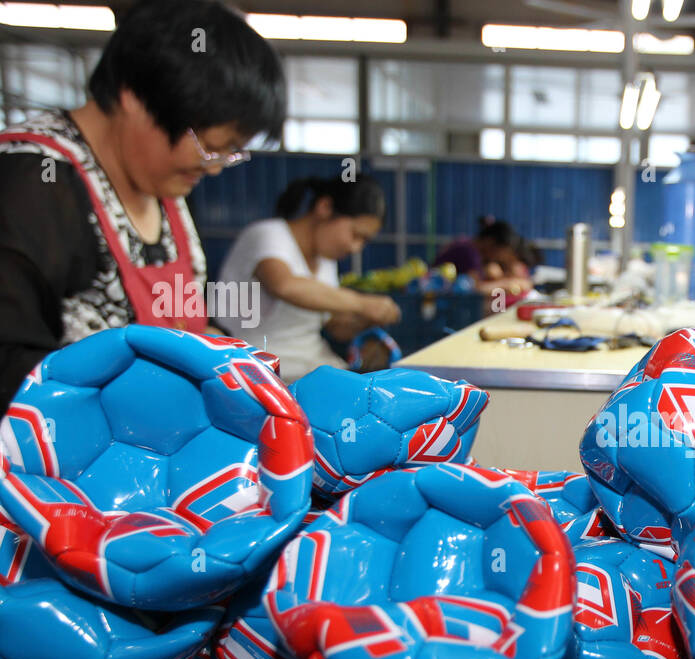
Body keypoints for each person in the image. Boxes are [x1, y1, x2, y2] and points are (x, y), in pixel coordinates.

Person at [0, 0, 286, 412]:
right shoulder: (33, 180)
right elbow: (11, 370)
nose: (216, 169)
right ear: (135, 95)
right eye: (210, 147)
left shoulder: (161, 181)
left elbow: (186, 324)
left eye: (229, 154)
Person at [218, 175, 399, 382]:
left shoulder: (326, 261)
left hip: (312, 366)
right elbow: (283, 285)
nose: (355, 247)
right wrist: (362, 303)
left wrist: (366, 323)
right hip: (256, 371)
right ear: (324, 207)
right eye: (355, 234)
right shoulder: (268, 234)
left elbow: (333, 326)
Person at [435, 217, 533, 299]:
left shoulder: (467, 245)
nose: (497, 258)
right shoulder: (468, 251)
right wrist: (508, 283)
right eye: (498, 253)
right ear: (490, 242)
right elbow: (475, 289)